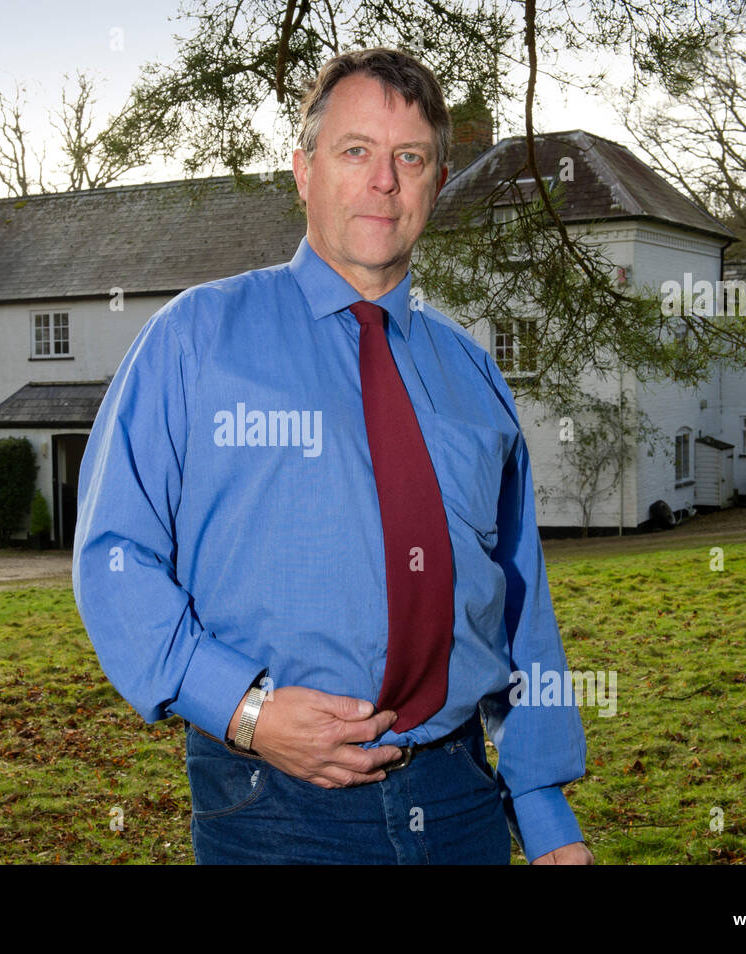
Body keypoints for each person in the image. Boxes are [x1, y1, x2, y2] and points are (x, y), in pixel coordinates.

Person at [72, 46, 592, 865]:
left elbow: (519, 598)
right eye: (356, 151)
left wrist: (542, 803)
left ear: (435, 182)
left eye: (409, 158)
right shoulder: (196, 338)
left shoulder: (472, 374)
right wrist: (244, 710)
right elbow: (113, 555)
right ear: (304, 170)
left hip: (462, 797)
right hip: (274, 806)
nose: (383, 180)